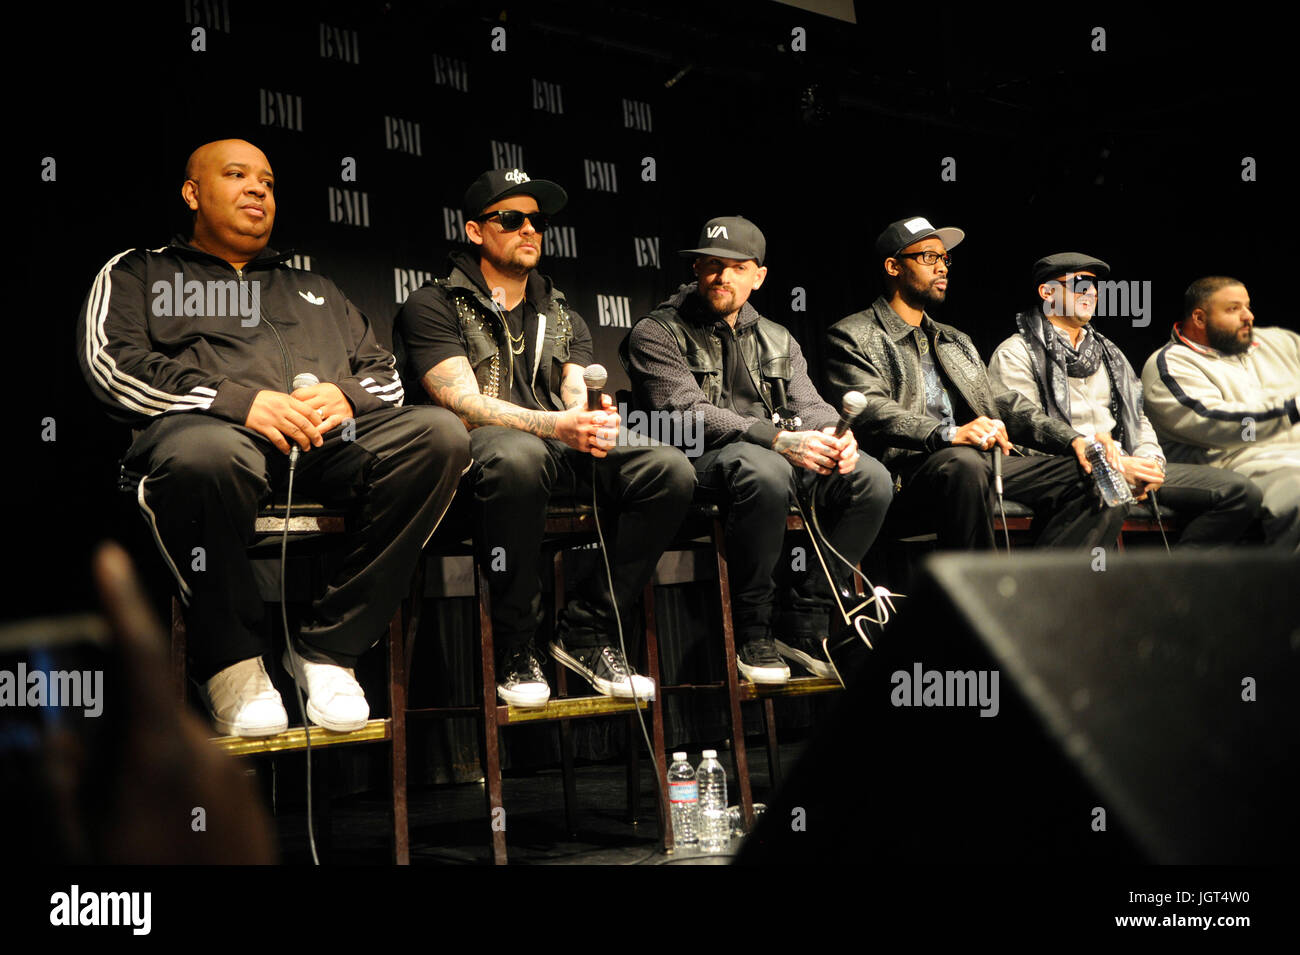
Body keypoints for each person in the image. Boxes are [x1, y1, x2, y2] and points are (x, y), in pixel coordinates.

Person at [76, 139, 470, 737]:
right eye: (236, 175)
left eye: (267, 180)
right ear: (192, 192)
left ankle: (329, 648)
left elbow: (385, 375)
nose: (258, 189)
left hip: (322, 447)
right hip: (213, 440)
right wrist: (240, 402)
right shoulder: (141, 271)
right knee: (207, 454)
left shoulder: (312, 287)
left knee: (438, 435)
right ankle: (231, 661)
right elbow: (112, 364)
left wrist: (347, 397)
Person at [395, 168, 694, 707]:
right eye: (511, 219)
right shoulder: (433, 304)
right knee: (517, 455)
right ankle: (516, 645)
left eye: (537, 220)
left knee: (667, 468)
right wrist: (559, 425)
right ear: (475, 231)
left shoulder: (562, 313)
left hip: (550, 449)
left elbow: (574, 391)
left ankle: (588, 628)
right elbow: (462, 403)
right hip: (473, 456)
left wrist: (588, 422)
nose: (529, 229)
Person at [626, 216, 892, 683]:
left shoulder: (777, 336)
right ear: (696, 270)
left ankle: (807, 621)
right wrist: (776, 439)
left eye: (735, 266)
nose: (721, 276)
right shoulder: (658, 331)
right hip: (694, 463)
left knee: (870, 478)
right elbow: (684, 411)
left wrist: (836, 435)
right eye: (710, 265)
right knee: (764, 468)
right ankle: (755, 630)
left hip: (773, 457)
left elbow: (808, 404)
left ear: (759, 276)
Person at [825, 217, 1126, 550]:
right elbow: (873, 410)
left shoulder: (956, 340)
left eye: (944, 259)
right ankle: (982, 594)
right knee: (963, 463)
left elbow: (1006, 404)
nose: (942, 267)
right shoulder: (854, 334)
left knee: (1102, 476)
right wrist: (951, 434)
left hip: (975, 464)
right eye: (929, 257)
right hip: (905, 476)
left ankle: (1036, 593)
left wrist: (1074, 441)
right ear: (894, 266)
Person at [987, 254, 1262, 545]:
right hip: (1073, 471)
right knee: (1106, 484)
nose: (1091, 292)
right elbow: (1027, 435)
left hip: (1131, 464)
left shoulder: (1110, 353)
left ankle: (1178, 581)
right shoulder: (1016, 353)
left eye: (1095, 286)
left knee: (1240, 491)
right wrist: (1108, 464)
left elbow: (1139, 418)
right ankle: (1060, 585)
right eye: (1081, 283)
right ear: (1047, 292)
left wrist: (1150, 462)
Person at [1141, 277, 1299, 549]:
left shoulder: (1278, 343)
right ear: (1200, 318)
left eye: (1247, 307)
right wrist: (1291, 411)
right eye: (1233, 309)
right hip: (1239, 465)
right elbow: (1215, 423)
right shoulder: (1170, 364)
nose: (1248, 316)